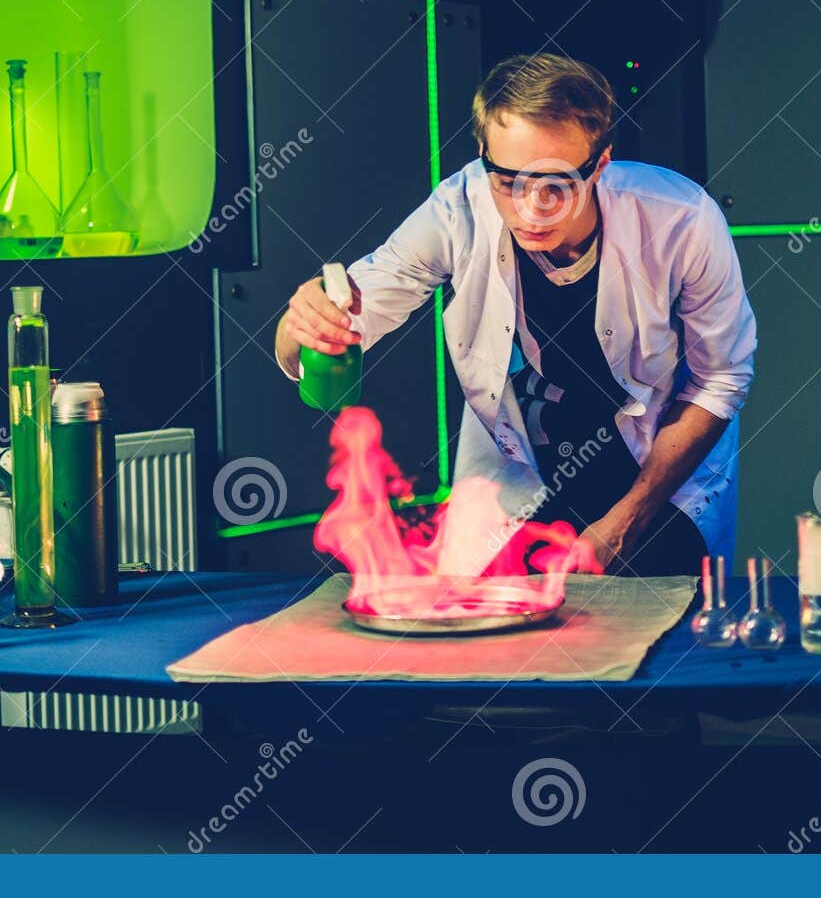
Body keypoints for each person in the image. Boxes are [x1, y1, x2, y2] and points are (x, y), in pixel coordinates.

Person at [274, 53, 756, 575]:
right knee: (500, 648)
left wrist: (624, 522)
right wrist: (299, 327)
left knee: (662, 640)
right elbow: (356, 307)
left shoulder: (682, 221)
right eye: (508, 181)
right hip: (520, 484)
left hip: (658, 482)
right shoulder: (458, 209)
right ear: (484, 155)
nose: (532, 209)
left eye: (556, 184)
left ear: (600, 164)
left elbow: (720, 378)